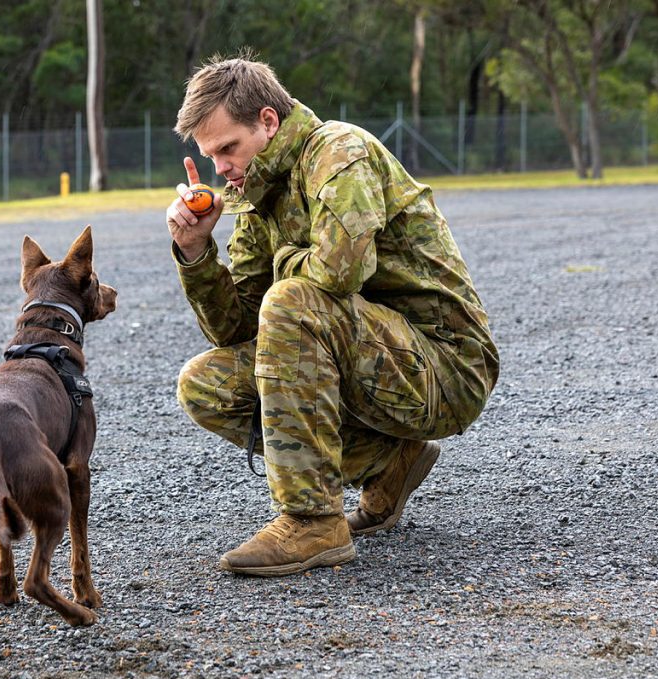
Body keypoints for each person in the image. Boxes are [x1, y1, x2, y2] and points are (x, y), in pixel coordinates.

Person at [165, 54, 499, 577]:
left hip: (445, 366)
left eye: (228, 148)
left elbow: (340, 272)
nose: (221, 168)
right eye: (212, 157)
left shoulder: (338, 151)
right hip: (378, 360)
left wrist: (281, 261)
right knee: (205, 385)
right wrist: (195, 252)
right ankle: (390, 463)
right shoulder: (256, 196)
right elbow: (236, 329)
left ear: (268, 122)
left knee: (291, 300)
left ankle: (313, 520)